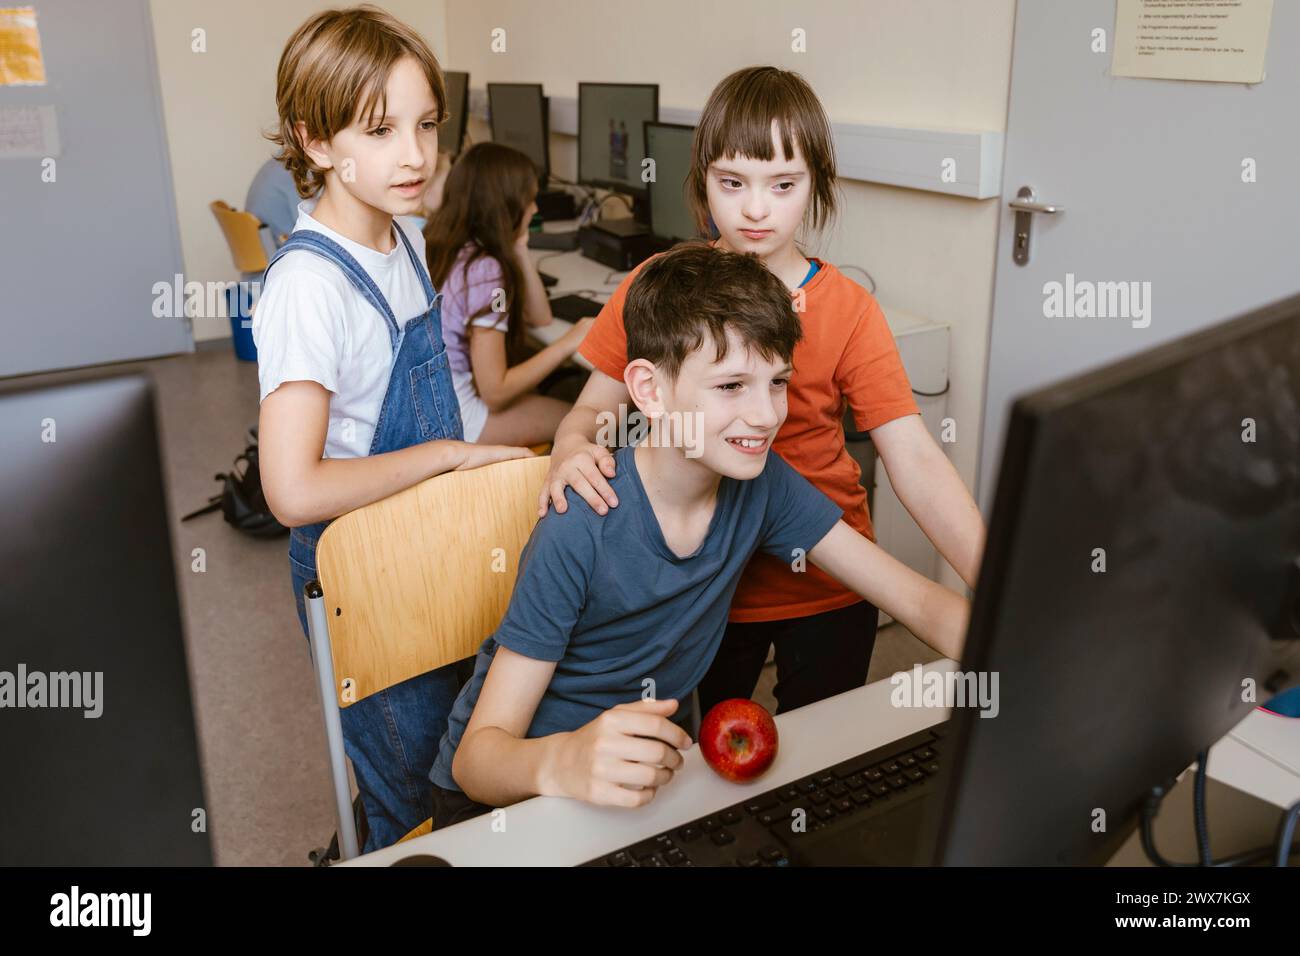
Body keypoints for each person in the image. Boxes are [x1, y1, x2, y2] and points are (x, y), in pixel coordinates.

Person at [427, 242, 969, 828]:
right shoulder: (581, 520)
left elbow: (913, 598)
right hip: (512, 797)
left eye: (778, 381)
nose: (765, 415)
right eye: (731, 386)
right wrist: (563, 761)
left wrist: (1026, 654)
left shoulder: (763, 486)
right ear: (650, 391)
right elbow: (475, 761)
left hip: (640, 787)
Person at [539, 66, 986, 722]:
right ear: (702, 183)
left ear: (816, 186)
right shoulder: (655, 288)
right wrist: (570, 446)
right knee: (705, 767)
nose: (755, 209)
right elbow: (591, 411)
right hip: (702, 587)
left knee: (821, 762)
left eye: (783, 185)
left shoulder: (850, 311)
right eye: (731, 183)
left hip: (832, 582)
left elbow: (914, 459)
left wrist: (997, 586)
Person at [251, 5, 531, 851]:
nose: (415, 154)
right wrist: (448, 456)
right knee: (411, 795)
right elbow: (291, 490)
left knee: (463, 764)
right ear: (317, 141)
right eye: (379, 130)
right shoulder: (310, 286)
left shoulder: (404, 238)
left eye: (426, 125)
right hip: (369, 579)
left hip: (433, 546)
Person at [425, 142, 592, 445]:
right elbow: (496, 393)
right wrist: (570, 342)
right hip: (459, 417)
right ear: (508, 206)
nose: (536, 208)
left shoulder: (444, 242)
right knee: (587, 423)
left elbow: (540, 318)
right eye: (530, 199)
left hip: (429, 403)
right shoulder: (484, 271)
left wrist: (518, 245)